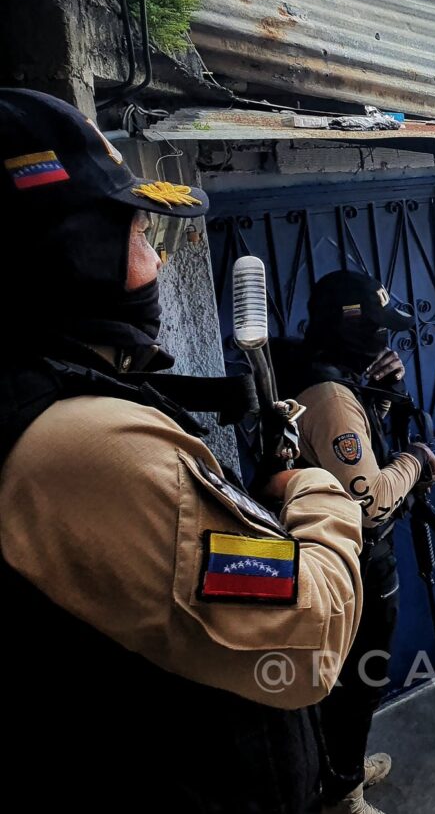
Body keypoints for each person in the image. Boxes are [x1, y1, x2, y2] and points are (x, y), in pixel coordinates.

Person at [0, 88, 366, 811]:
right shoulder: (86, 449)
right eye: (140, 235)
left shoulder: (41, 401)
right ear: (73, 252)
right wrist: (313, 490)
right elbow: (310, 635)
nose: (158, 264)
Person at [278, 271, 435, 814]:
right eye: (377, 330)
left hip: (344, 556)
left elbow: (348, 453)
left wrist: (382, 398)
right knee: (357, 678)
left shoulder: (335, 379)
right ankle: (343, 793)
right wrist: (415, 461)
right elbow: (369, 502)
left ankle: (339, 770)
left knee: (351, 676)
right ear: (350, 330)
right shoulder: (330, 396)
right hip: (353, 561)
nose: (385, 340)